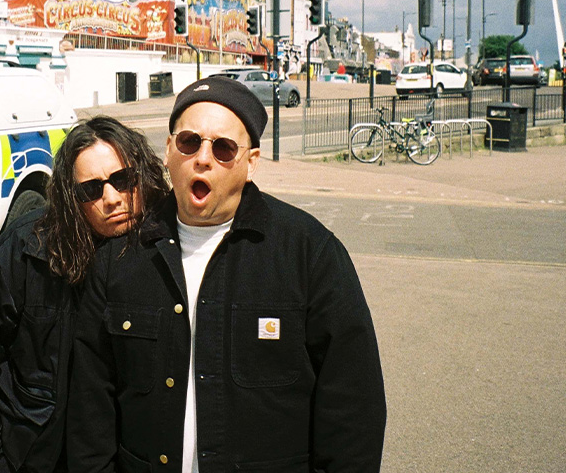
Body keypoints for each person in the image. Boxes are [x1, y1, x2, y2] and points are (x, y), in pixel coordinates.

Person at [68, 76, 386, 473]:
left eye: (223, 148)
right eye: (189, 142)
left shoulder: (309, 253)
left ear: (250, 163)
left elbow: (353, 410)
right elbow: (90, 412)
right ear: (168, 150)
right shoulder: (121, 260)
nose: (203, 158)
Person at [0, 116, 170, 473]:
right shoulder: (28, 249)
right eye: (91, 189)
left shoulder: (170, 250)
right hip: (43, 458)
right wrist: (1, 459)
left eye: (121, 180)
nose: (111, 199)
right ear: (70, 197)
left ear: (141, 176)